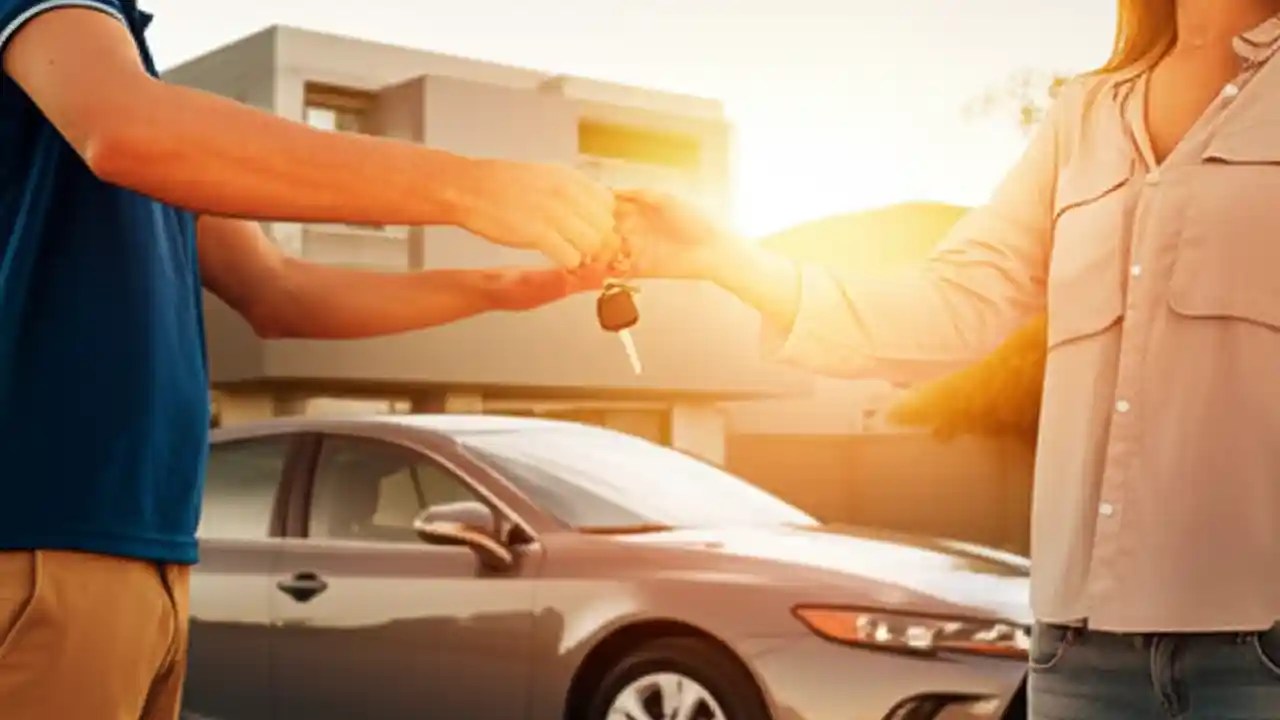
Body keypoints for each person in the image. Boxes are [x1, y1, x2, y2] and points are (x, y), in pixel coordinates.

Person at [615, 0, 1280, 716]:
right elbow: (956, 303)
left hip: (1259, 648)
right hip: (1079, 656)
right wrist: (726, 260)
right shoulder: (1084, 114)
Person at [0, 0, 616, 717]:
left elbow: (277, 288)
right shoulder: (99, 73)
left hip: (138, 554)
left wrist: (502, 289)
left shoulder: (124, 72)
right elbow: (125, 131)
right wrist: (468, 186)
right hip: (38, 543)